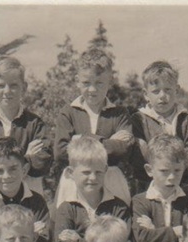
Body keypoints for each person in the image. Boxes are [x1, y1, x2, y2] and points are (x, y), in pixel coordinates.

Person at [54, 48, 137, 206]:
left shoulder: (119, 113)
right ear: (78, 80)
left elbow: (124, 150)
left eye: (99, 83)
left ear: (109, 82)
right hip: (75, 182)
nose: (92, 89)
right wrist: (106, 142)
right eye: (86, 83)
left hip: (110, 180)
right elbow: (60, 151)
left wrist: (79, 141)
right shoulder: (68, 112)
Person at [0, 56, 51, 196]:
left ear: (23, 88)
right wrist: (26, 158)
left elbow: (42, 164)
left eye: (13, 85)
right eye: (1, 85)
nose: (7, 91)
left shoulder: (35, 123)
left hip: (28, 195)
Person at [55, 136, 130, 242]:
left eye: (98, 172)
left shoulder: (118, 207)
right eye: (86, 172)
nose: (93, 178)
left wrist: (80, 240)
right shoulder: (66, 208)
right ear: (70, 172)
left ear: (106, 170)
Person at [131, 135, 188, 242]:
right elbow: (143, 239)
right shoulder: (140, 201)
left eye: (177, 170)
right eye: (164, 171)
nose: (171, 177)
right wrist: (177, 231)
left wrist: (155, 231)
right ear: (149, 170)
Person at [131, 61, 188, 192]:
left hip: (183, 192)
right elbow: (138, 163)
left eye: (168, 90)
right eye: (155, 91)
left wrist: (158, 163)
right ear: (145, 94)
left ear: (177, 90)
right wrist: (178, 159)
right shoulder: (138, 121)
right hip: (147, 193)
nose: (162, 96)